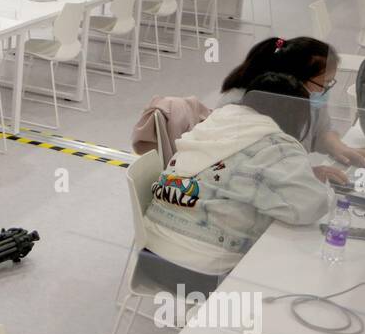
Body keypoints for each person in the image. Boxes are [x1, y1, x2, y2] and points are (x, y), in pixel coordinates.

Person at [141, 72, 333, 290]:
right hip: (199, 275)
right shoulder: (274, 144)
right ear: (295, 114)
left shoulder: (212, 123)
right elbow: (311, 207)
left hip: (148, 258)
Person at [218, 36, 365, 185]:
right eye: (324, 83)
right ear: (294, 79)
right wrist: (304, 176)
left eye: (330, 82)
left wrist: (339, 147)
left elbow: (321, 130)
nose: (326, 89)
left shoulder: (308, 95)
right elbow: (242, 167)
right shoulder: (243, 104)